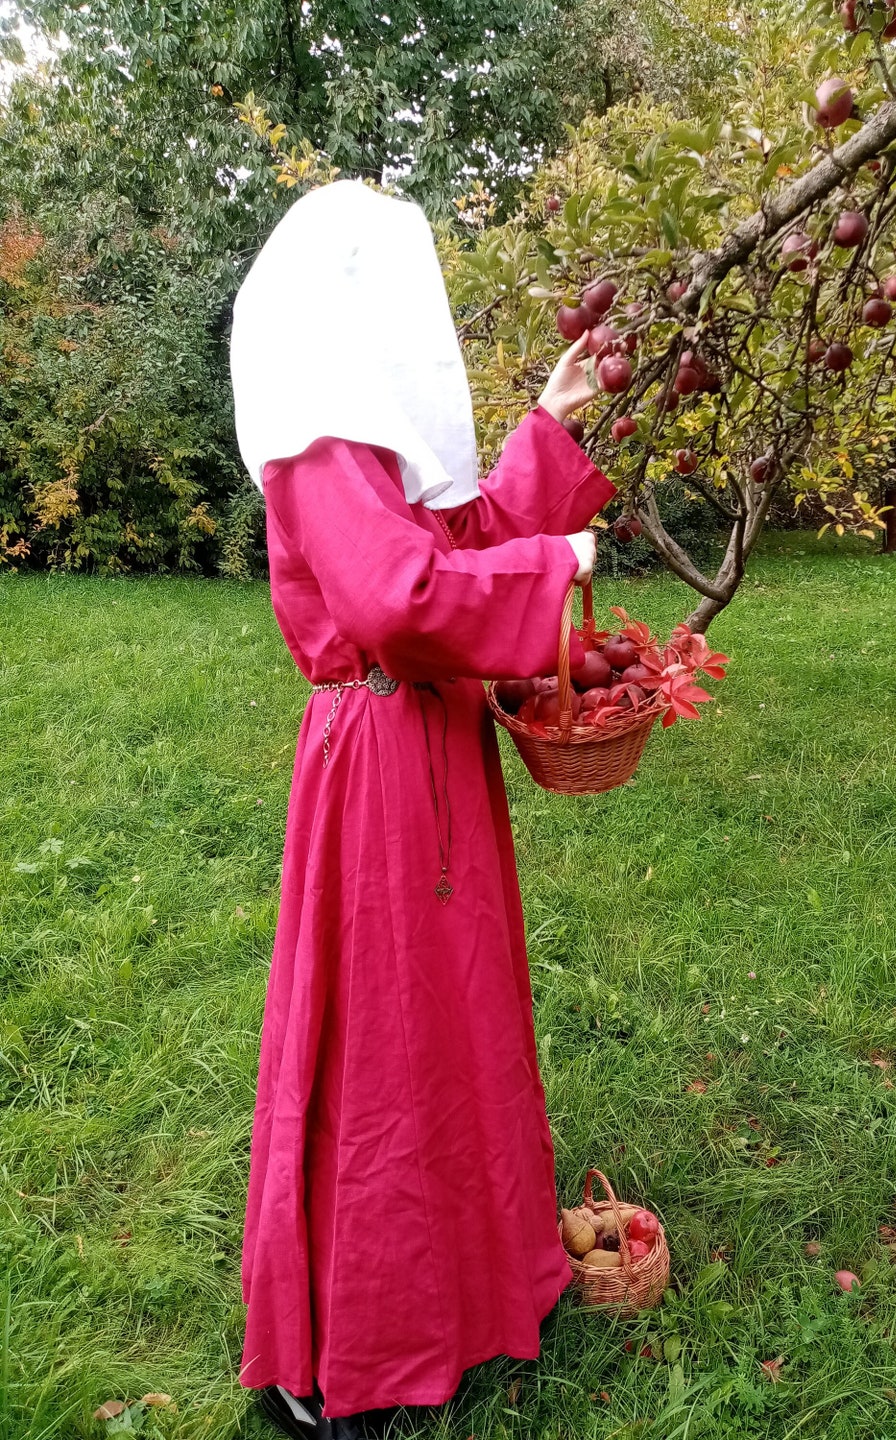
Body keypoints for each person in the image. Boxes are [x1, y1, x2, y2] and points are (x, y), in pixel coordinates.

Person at [229, 178, 616, 1439]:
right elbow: (400, 598)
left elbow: (460, 542)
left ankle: (469, 1285)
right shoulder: (317, 441)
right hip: (383, 768)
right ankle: (357, 1343)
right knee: (383, 1049)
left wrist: (546, 427)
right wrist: (554, 572)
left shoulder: (371, 445)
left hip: (433, 747)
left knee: (452, 1028)